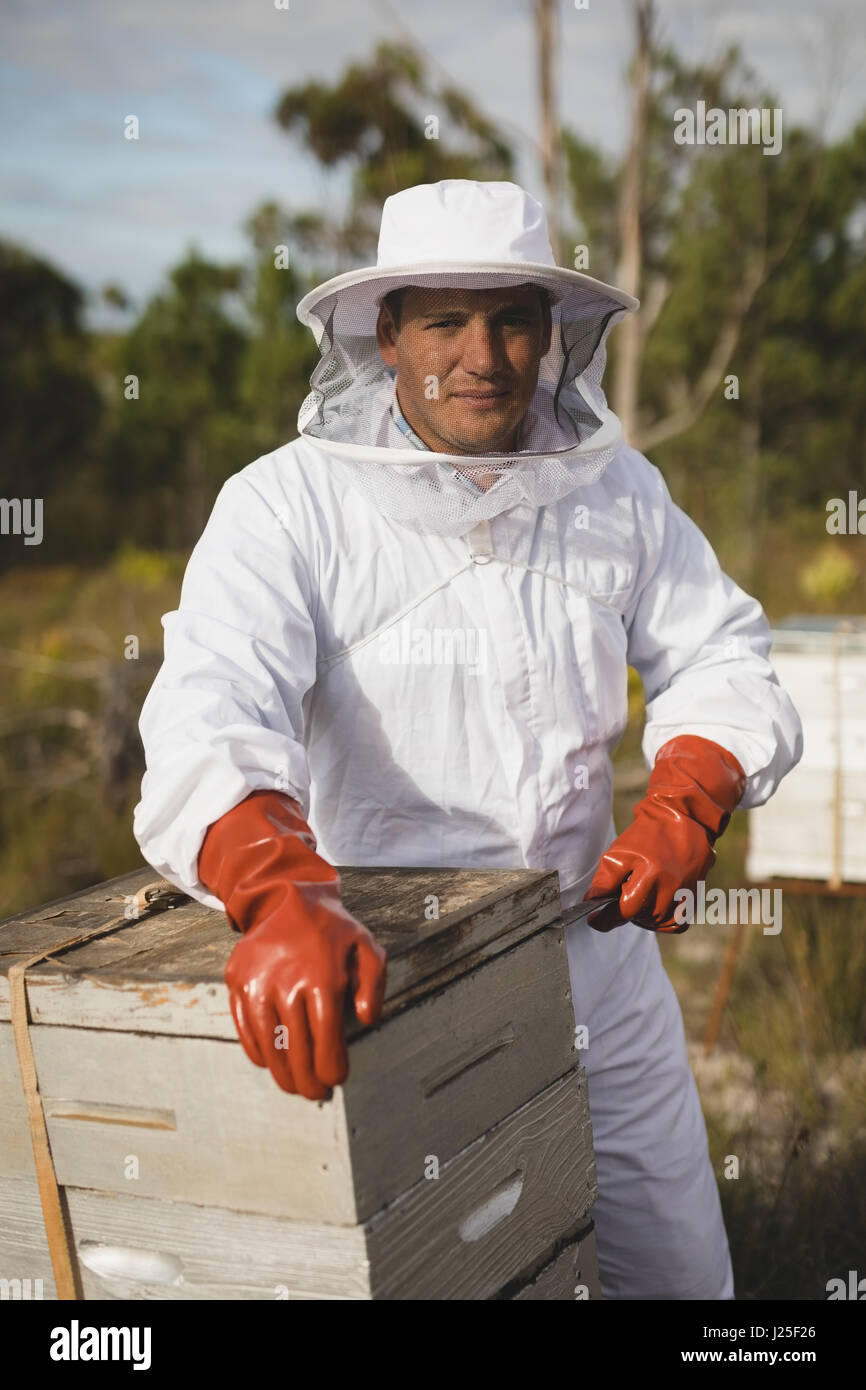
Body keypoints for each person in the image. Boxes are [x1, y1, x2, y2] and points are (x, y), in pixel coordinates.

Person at [133, 180, 803, 1300]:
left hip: (598, 965)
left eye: (510, 320)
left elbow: (723, 656)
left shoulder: (618, 493)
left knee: (679, 1281)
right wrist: (276, 891)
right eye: (444, 320)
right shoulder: (283, 508)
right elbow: (210, 707)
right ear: (385, 333)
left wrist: (687, 797)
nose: (480, 354)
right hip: (389, 979)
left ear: (550, 335)